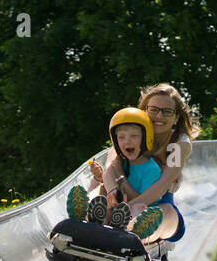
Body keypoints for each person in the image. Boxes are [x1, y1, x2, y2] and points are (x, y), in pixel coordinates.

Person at [69, 83, 198, 245]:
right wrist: (113, 195)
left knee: (162, 213)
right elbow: (111, 167)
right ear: (144, 111)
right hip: (120, 194)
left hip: (158, 200)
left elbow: (162, 185)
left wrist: (126, 210)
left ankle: (132, 232)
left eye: (167, 112)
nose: (159, 116)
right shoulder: (130, 132)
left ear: (176, 117)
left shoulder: (178, 143)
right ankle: (84, 215)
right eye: (153, 109)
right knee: (99, 187)